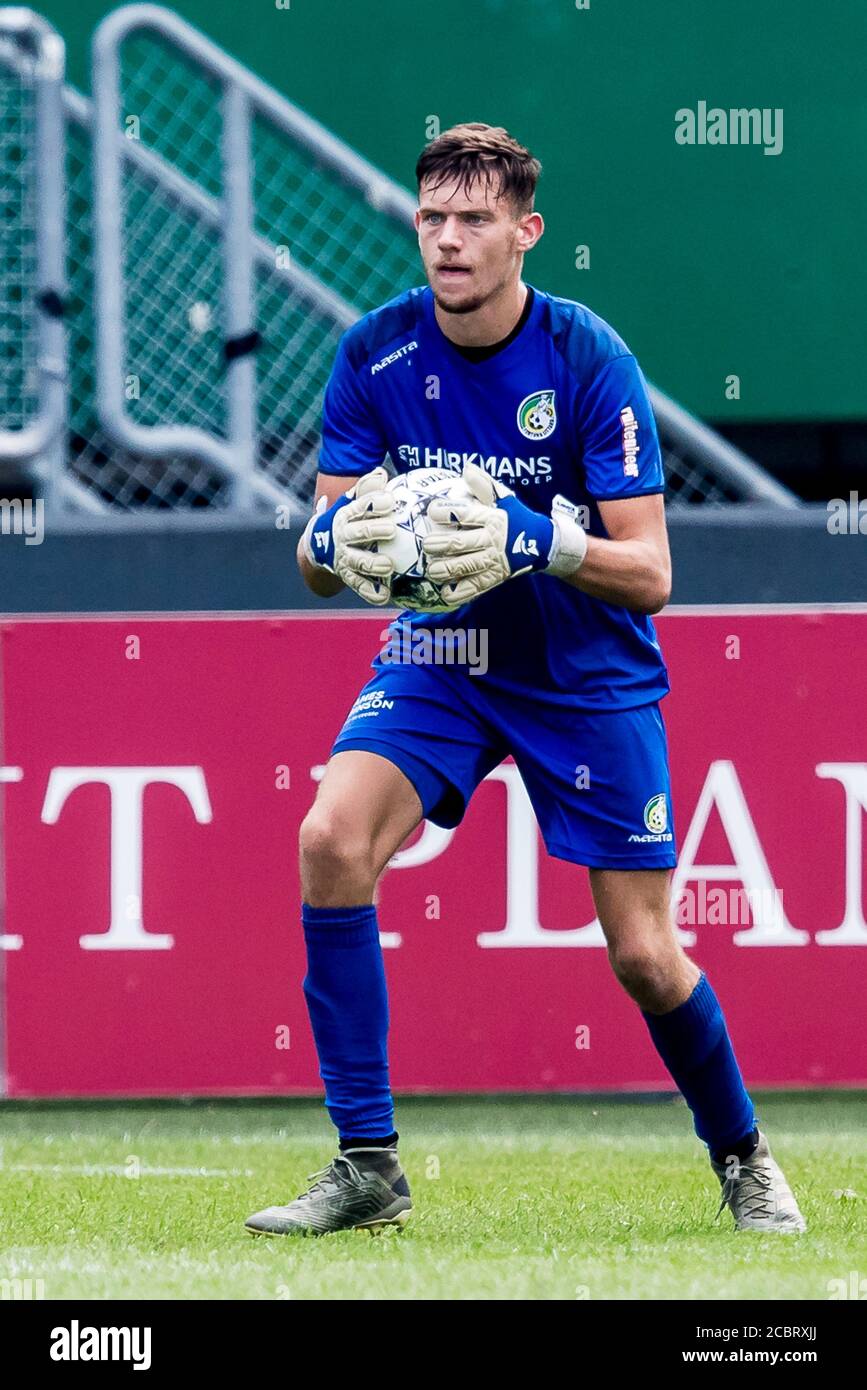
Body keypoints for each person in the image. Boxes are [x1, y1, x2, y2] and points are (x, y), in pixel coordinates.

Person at [245, 123, 805, 1237]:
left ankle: (743, 1154)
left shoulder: (588, 355)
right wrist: (341, 542)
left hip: (582, 668)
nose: (448, 241)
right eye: (432, 219)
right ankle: (366, 1164)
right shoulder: (373, 352)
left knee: (645, 955)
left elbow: (652, 573)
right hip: (443, 655)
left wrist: (531, 539)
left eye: (474, 220)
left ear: (525, 233)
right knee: (329, 840)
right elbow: (316, 549)